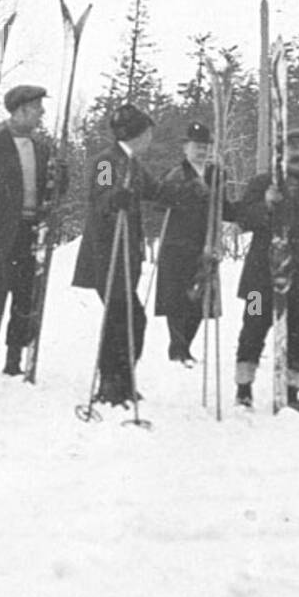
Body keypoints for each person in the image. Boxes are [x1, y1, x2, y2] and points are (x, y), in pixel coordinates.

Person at [73, 105, 191, 406]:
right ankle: (112, 384)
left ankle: (120, 383)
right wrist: (116, 198)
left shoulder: (133, 164)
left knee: (126, 320)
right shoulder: (106, 162)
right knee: (125, 320)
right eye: (148, 132)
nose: (151, 138)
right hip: (106, 255)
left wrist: (185, 189)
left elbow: (158, 191)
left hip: (127, 257)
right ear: (138, 134)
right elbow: (99, 198)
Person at [0, 84, 57, 377]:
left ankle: (14, 358)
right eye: (37, 107)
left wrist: (59, 178)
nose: (41, 113)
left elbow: (51, 191)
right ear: (21, 110)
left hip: (29, 232)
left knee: (25, 297)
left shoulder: (42, 149)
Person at [233, 127, 299, 412]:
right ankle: (243, 388)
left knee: (298, 333)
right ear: (283, 151)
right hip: (261, 278)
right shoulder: (263, 183)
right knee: (254, 326)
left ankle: (293, 391)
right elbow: (244, 217)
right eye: (294, 148)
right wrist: (266, 205)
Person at [153, 122, 234, 366]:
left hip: (204, 243)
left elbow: (224, 208)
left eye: (206, 146)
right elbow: (160, 202)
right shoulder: (175, 173)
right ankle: (177, 348)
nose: (201, 151)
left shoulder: (217, 175)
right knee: (177, 298)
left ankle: (186, 345)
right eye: (197, 146)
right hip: (177, 244)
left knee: (200, 297)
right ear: (185, 148)